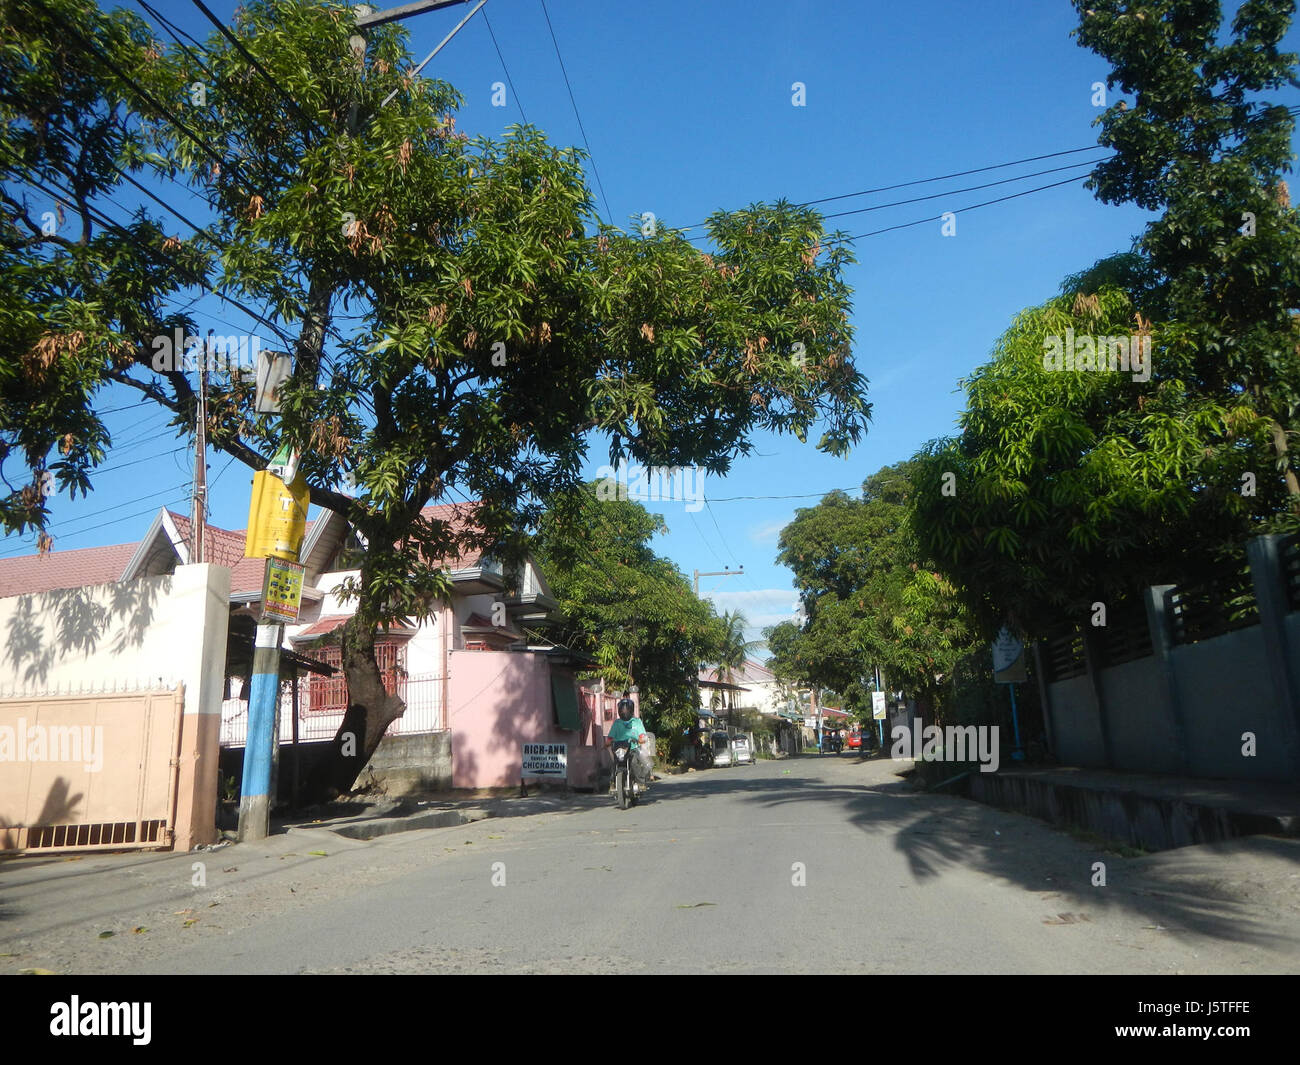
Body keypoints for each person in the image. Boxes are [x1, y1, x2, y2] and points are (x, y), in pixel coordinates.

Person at [606, 690, 651, 789]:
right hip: (619, 749)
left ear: (631, 710)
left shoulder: (636, 721)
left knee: (634, 762)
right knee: (615, 764)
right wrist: (608, 742)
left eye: (626, 710)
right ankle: (613, 783)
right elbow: (610, 736)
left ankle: (640, 782)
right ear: (619, 711)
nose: (624, 712)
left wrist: (641, 739)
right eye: (622, 710)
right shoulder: (617, 723)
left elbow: (642, 734)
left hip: (633, 748)